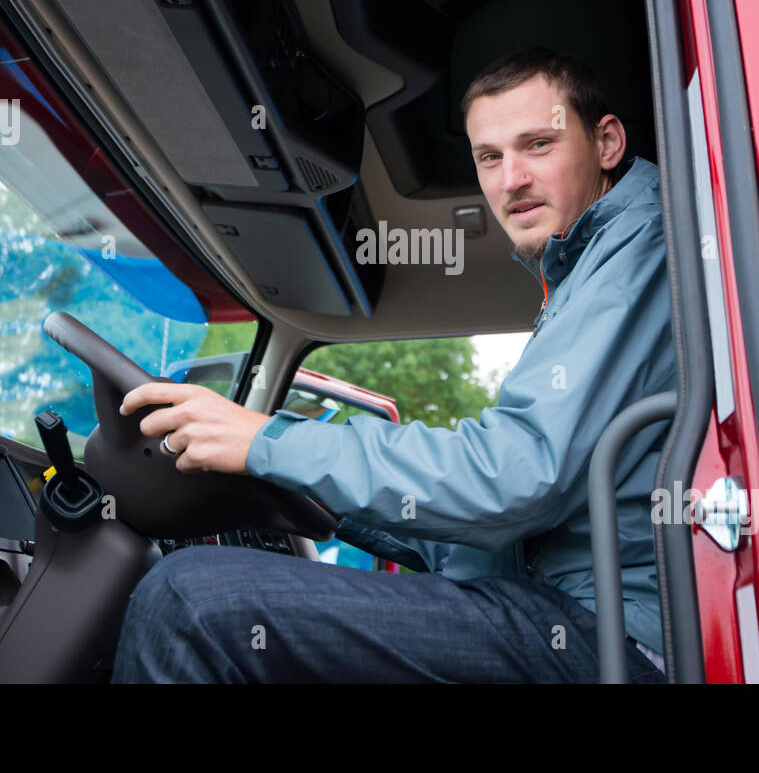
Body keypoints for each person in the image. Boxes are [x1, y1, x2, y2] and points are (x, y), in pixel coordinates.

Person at [110, 46, 676, 683]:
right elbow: (505, 531)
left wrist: (270, 441)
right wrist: (297, 483)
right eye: (489, 157)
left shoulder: (640, 248)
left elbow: (514, 480)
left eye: (538, 145)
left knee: (190, 604)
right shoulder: (588, 269)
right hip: (574, 616)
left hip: (615, 642)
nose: (510, 179)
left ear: (606, 142)